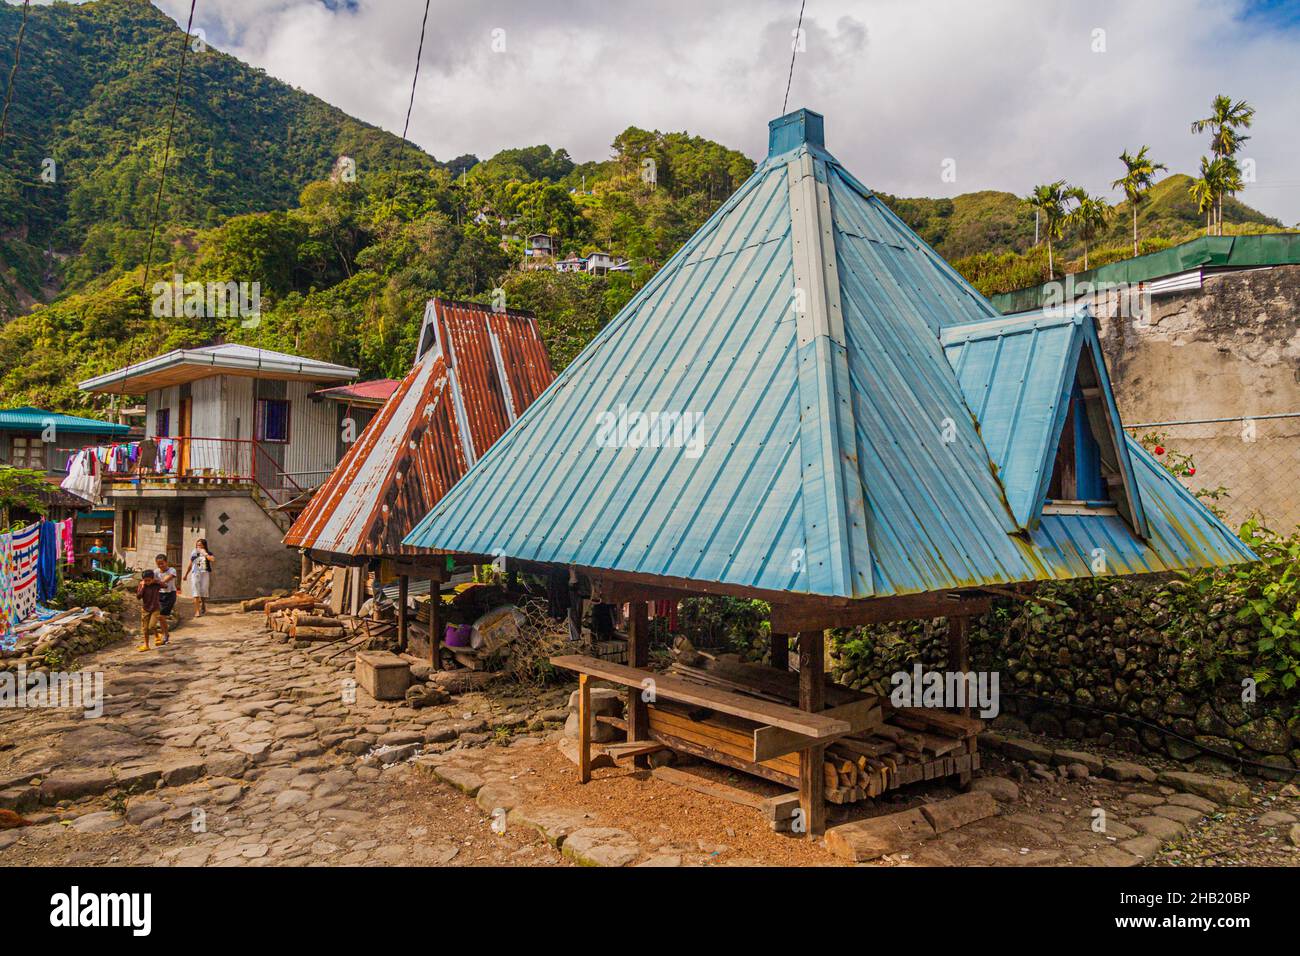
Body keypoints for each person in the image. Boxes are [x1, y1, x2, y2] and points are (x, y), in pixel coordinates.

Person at [183, 539, 214, 616]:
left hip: (204, 573)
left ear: (204, 546)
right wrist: (186, 574)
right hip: (195, 573)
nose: (198, 547)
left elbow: (213, 559)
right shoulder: (194, 553)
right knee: (195, 591)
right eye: (197, 545)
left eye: (200, 545)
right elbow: (191, 564)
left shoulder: (208, 553)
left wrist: (205, 554)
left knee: (204, 590)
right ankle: (197, 611)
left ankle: (203, 604)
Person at [136, 570, 161, 651]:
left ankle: (157, 636)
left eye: (149, 580)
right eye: (145, 580)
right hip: (145, 609)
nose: (147, 582)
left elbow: (165, 585)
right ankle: (146, 645)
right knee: (145, 628)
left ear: (152, 579)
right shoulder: (142, 585)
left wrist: (156, 581)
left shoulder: (156, 585)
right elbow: (138, 597)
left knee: (151, 625)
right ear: (143, 580)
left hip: (155, 608)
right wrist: (142, 587)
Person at [155, 553, 178, 639]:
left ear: (166, 562)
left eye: (162, 563)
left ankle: (165, 634)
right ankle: (165, 634)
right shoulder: (156, 571)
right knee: (160, 617)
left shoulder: (172, 570)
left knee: (161, 616)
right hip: (160, 595)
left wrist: (158, 582)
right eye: (158, 564)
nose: (160, 565)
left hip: (170, 595)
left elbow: (167, 579)